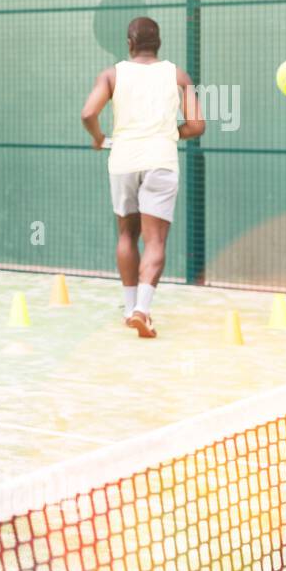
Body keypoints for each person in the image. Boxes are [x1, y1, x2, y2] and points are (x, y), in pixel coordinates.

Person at [81, 17, 205, 338]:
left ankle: (128, 308)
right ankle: (143, 310)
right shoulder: (177, 75)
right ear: (159, 43)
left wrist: (97, 138)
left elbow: (88, 113)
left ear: (129, 43)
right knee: (155, 240)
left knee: (126, 234)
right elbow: (197, 125)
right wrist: (168, 132)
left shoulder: (111, 75)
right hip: (160, 160)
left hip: (123, 160)